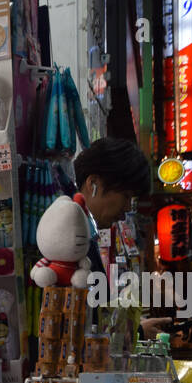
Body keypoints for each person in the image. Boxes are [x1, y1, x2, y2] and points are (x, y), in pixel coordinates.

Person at [70, 137, 160, 334]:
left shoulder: (86, 236)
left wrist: (135, 330)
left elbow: (96, 322)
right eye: (126, 196)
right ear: (93, 183)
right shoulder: (70, 241)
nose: (127, 208)